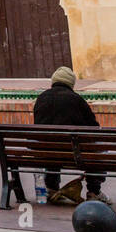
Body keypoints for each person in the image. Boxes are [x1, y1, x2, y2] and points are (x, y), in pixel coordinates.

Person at [31, 66, 108, 205]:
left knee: (51, 144)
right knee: (99, 149)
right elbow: (94, 128)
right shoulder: (76, 100)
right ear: (71, 83)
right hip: (74, 154)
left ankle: (51, 187)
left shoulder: (41, 98)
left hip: (45, 153)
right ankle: (94, 191)